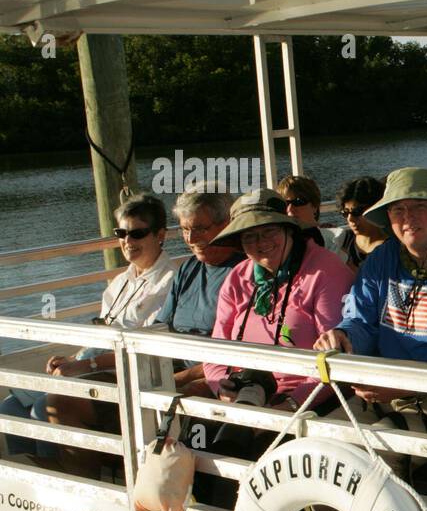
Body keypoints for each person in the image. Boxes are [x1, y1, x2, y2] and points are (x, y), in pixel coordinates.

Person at [315, 167, 427, 503]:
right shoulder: (381, 260)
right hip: (382, 389)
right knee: (325, 444)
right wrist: (343, 336)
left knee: (387, 447)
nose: (407, 218)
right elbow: (361, 320)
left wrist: (402, 385)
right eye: (398, 209)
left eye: (419, 207)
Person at [26, 195, 178, 474]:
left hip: (127, 375)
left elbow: (144, 351)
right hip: (98, 365)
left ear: (160, 235)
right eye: (121, 232)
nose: (127, 240)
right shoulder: (121, 281)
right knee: (12, 405)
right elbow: (103, 331)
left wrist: (85, 365)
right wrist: (72, 358)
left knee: (41, 408)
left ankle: (80, 480)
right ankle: (39, 480)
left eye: (137, 233)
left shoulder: (169, 282)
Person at [202, 189, 353, 413]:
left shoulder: (325, 271)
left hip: (312, 398)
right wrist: (222, 387)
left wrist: (291, 404)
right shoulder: (237, 277)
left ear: (289, 230)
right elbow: (216, 348)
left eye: (269, 230)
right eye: (249, 236)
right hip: (246, 395)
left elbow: (336, 357)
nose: (261, 242)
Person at [155, 184, 241, 395]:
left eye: (200, 228)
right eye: (185, 229)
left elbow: (240, 352)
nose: (191, 239)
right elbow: (159, 329)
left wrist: (179, 378)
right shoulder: (188, 268)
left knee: (181, 394)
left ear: (227, 224)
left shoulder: (245, 272)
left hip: (220, 373)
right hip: (175, 368)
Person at [276, 174, 348, 263]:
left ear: (314, 205)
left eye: (298, 202)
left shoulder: (336, 239)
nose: (290, 209)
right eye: (285, 203)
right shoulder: (276, 243)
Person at [336, 176, 389, 270]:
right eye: (345, 213)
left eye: (357, 212)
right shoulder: (342, 240)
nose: (350, 219)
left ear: (376, 208)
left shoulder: (391, 249)